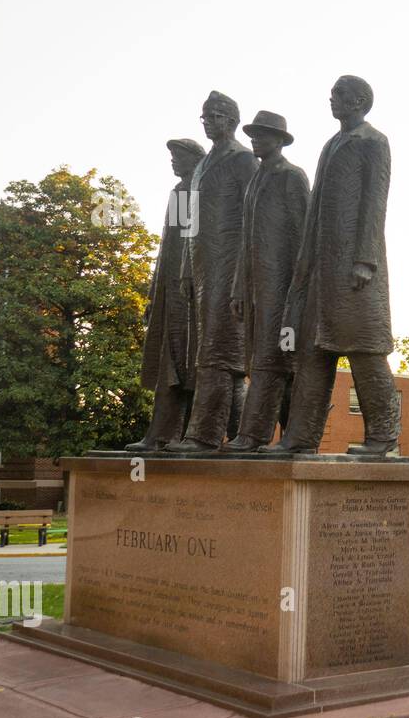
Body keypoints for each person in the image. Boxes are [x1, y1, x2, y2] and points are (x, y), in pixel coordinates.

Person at [262, 75, 399, 455]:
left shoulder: (373, 141)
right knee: (312, 355)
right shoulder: (330, 145)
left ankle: (382, 436)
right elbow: (316, 210)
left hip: (355, 271)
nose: (332, 99)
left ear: (359, 101)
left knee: (366, 353)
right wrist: (303, 267)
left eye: (339, 94)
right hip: (321, 269)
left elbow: (375, 201)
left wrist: (365, 260)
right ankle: (300, 438)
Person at [166, 91, 256, 452]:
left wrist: (243, 274)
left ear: (232, 120)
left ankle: (204, 435)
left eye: (214, 116)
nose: (207, 122)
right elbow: (188, 225)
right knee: (217, 352)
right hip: (202, 269)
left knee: (219, 351)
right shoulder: (201, 167)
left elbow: (253, 218)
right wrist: (187, 269)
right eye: (204, 117)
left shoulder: (244, 160)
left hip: (230, 268)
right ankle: (236, 435)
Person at [223, 111, 310, 452]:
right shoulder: (255, 181)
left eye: (262, 134)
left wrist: (298, 289)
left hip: (284, 288)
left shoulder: (292, 176)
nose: (255, 140)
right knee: (262, 360)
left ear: (279, 140)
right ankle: (261, 435)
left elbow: (304, 236)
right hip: (257, 288)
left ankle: (274, 436)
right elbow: (245, 242)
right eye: (253, 134)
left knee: (281, 361)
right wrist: (238, 288)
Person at [126, 138, 203, 452]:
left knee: (194, 367)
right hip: (172, 293)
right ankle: (160, 434)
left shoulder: (197, 191)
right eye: (171, 156)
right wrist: (153, 294)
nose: (173, 161)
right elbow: (167, 249)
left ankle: (202, 435)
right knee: (169, 365)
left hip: (193, 293)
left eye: (179, 156)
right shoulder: (180, 192)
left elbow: (195, 243)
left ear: (195, 159)